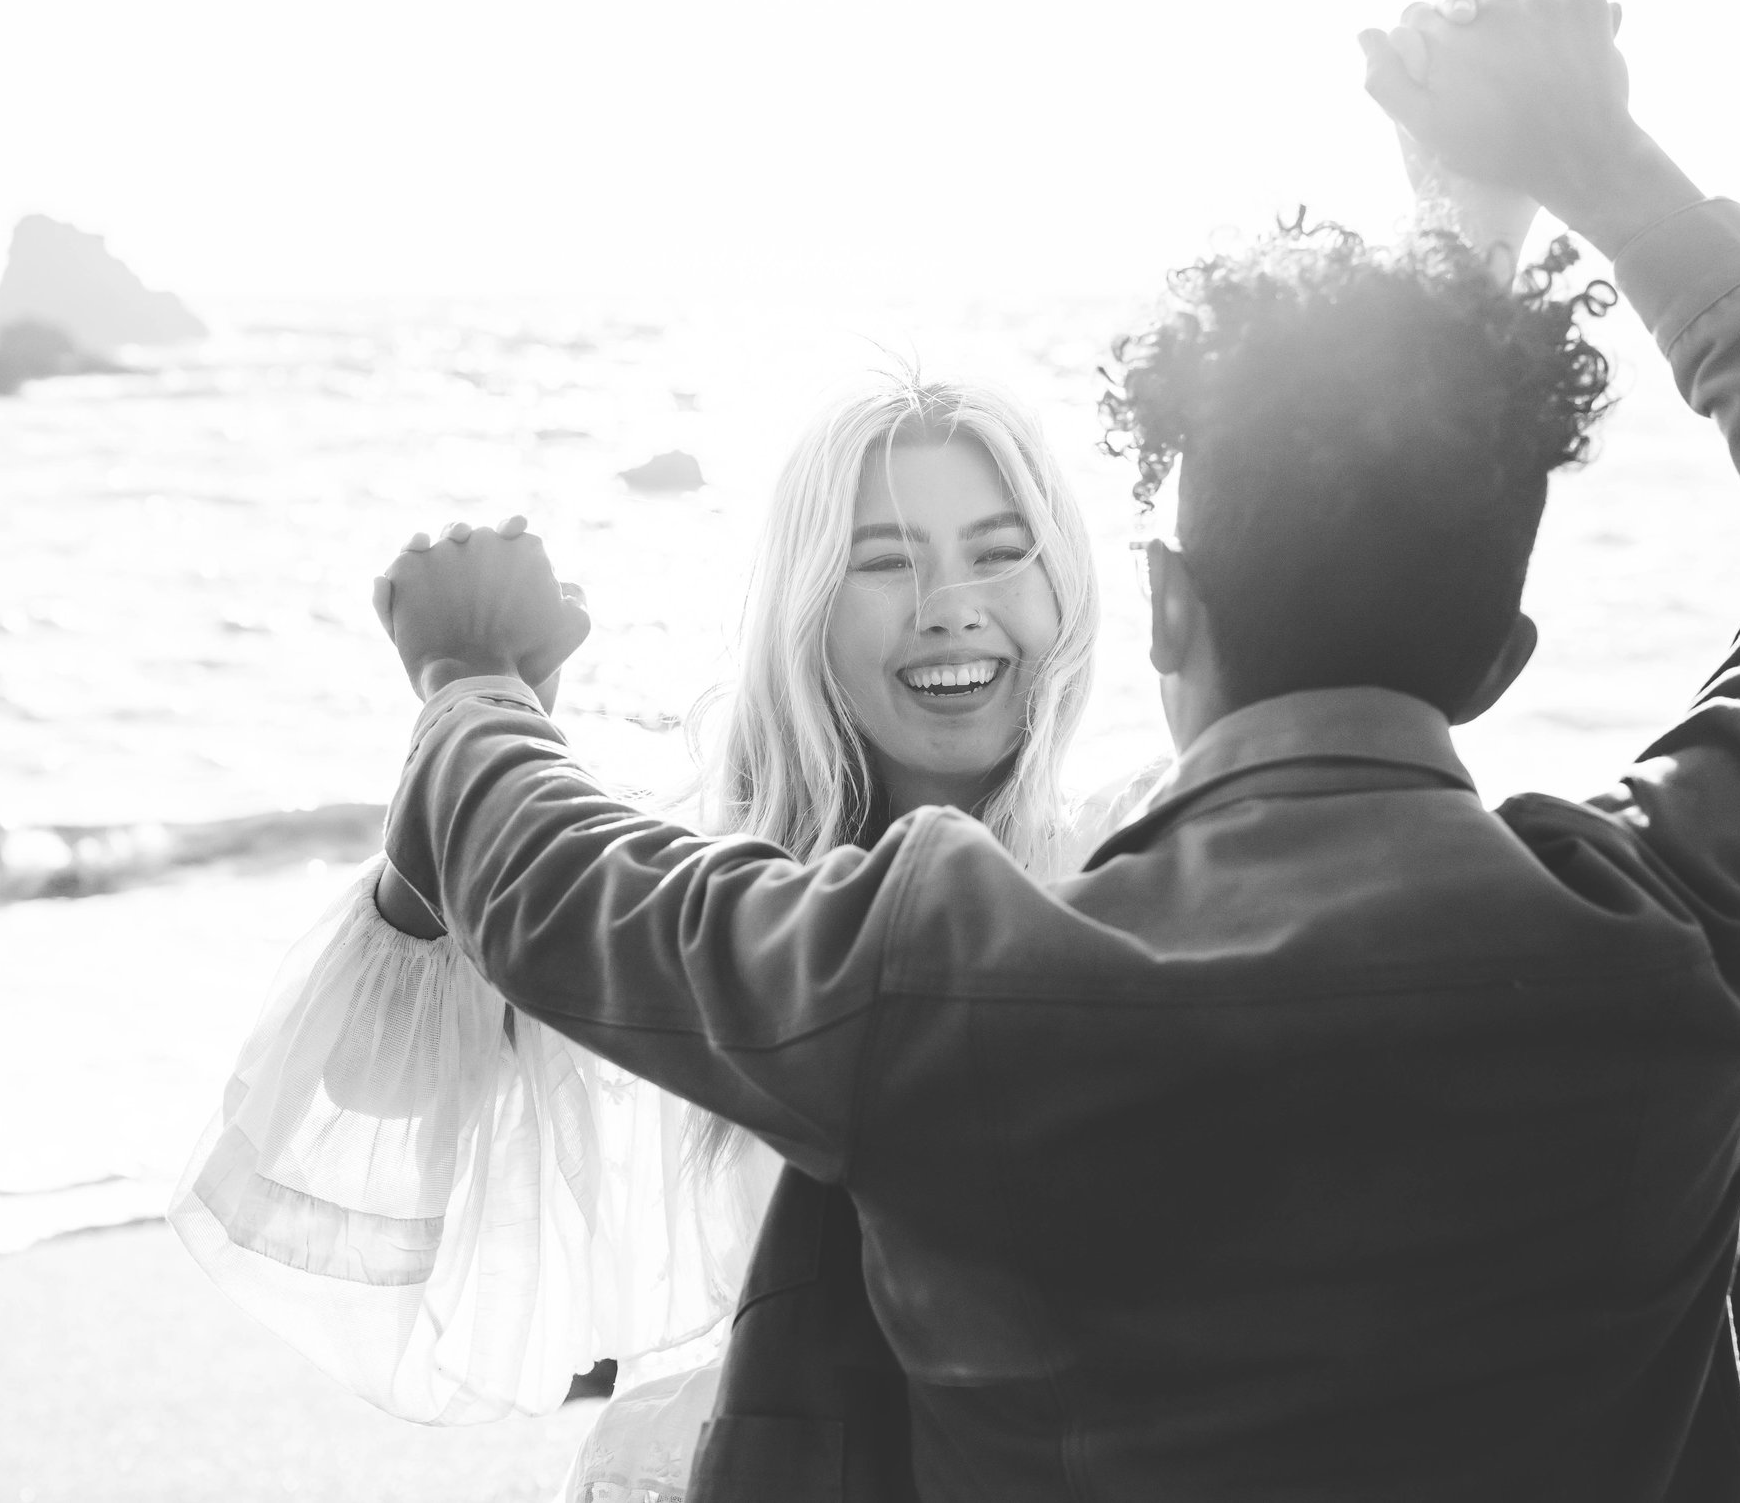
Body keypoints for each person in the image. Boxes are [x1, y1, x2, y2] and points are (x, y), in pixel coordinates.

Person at [366, 0, 1740, 1500]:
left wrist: (471, 678)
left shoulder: (928, 975)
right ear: (1505, 658)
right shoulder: (1674, 928)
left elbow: (553, 872)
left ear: (1160, 607)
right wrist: (1600, 165)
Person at [170, 375, 1123, 1490]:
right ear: (802, 603)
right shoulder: (698, 893)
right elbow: (375, 1086)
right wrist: (481, 734)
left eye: (1000, 549)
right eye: (882, 560)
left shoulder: (1116, 876)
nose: (950, 603)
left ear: (1068, 585)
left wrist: (466, 700)